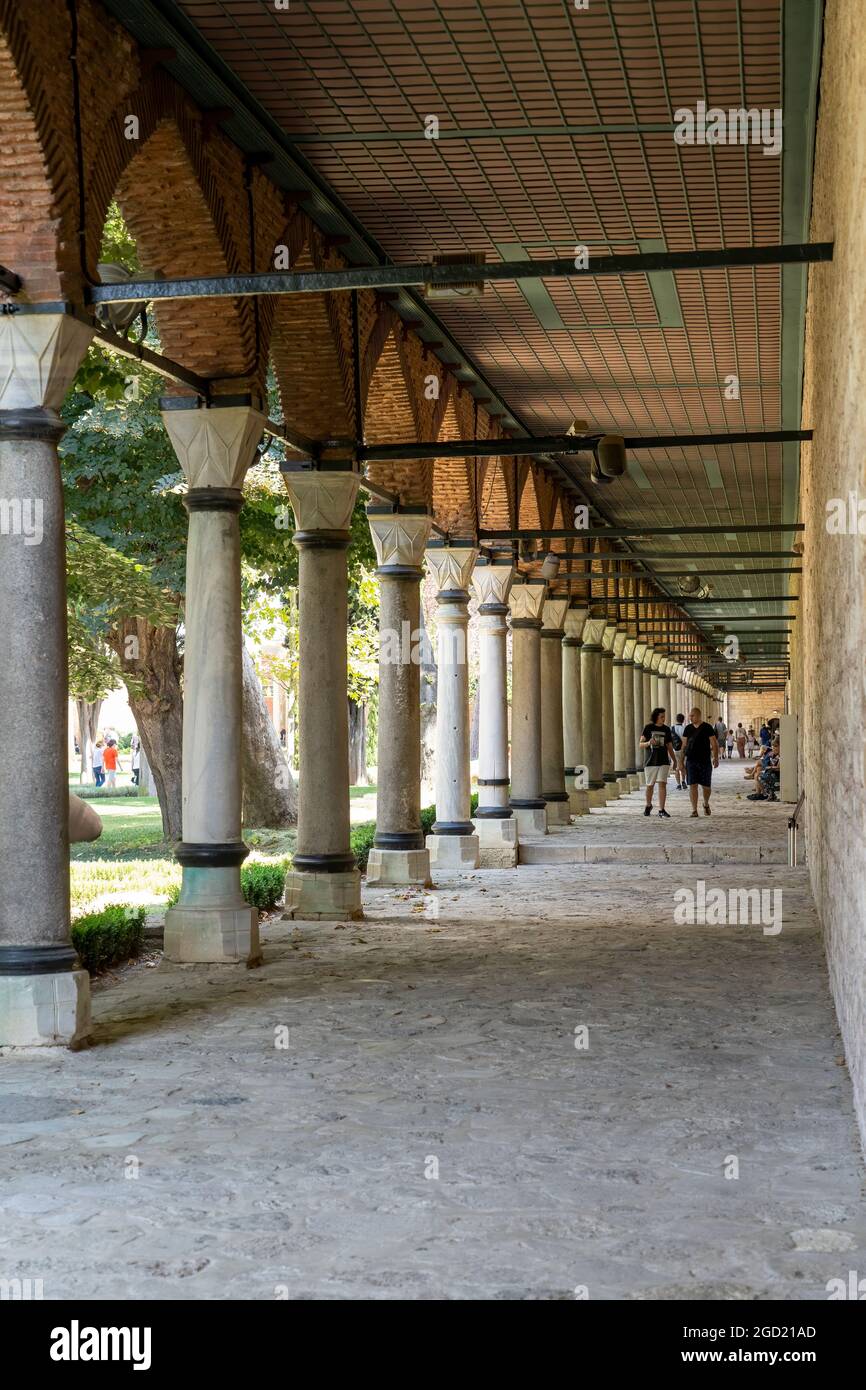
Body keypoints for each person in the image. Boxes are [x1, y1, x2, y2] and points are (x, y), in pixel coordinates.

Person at [682, 707, 720, 817]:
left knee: (706, 786)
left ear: (698, 715)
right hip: (691, 760)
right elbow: (684, 745)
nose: (690, 717)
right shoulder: (687, 729)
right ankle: (694, 810)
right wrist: (681, 761)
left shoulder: (707, 727)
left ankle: (706, 803)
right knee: (692, 785)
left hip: (704, 760)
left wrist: (716, 758)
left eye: (692, 715)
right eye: (689, 716)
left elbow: (714, 743)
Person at [639, 707, 676, 818]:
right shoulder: (648, 728)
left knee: (662, 784)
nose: (664, 719)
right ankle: (648, 804)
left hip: (663, 760)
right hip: (650, 761)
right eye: (662, 717)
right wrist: (648, 742)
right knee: (650, 785)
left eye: (664, 716)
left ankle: (661, 809)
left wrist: (674, 760)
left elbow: (669, 746)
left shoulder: (666, 729)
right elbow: (640, 744)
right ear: (656, 717)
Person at [671, 712, 688, 789]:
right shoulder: (684, 729)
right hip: (683, 750)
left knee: (676, 768)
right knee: (683, 766)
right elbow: (686, 741)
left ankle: (678, 784)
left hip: (674, 750)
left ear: (676, 719)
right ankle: (683, 781)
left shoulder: (671, 728)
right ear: (683, 720)